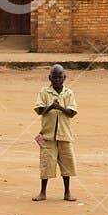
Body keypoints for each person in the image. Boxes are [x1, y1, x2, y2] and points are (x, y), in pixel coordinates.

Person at [32, 64, 78, 202]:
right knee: (46, 164)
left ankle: (67, 192)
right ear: (49, 78)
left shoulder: (69, 93)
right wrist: (51, 106)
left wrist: (60, 107)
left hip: (64, 135)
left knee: (66, 164)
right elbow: (40, 111)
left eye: (59, 77)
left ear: (64, 78)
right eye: (54, 77)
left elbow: (71, 113)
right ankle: (43, 192)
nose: (57, 80)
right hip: (48, 135)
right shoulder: (44, 93)